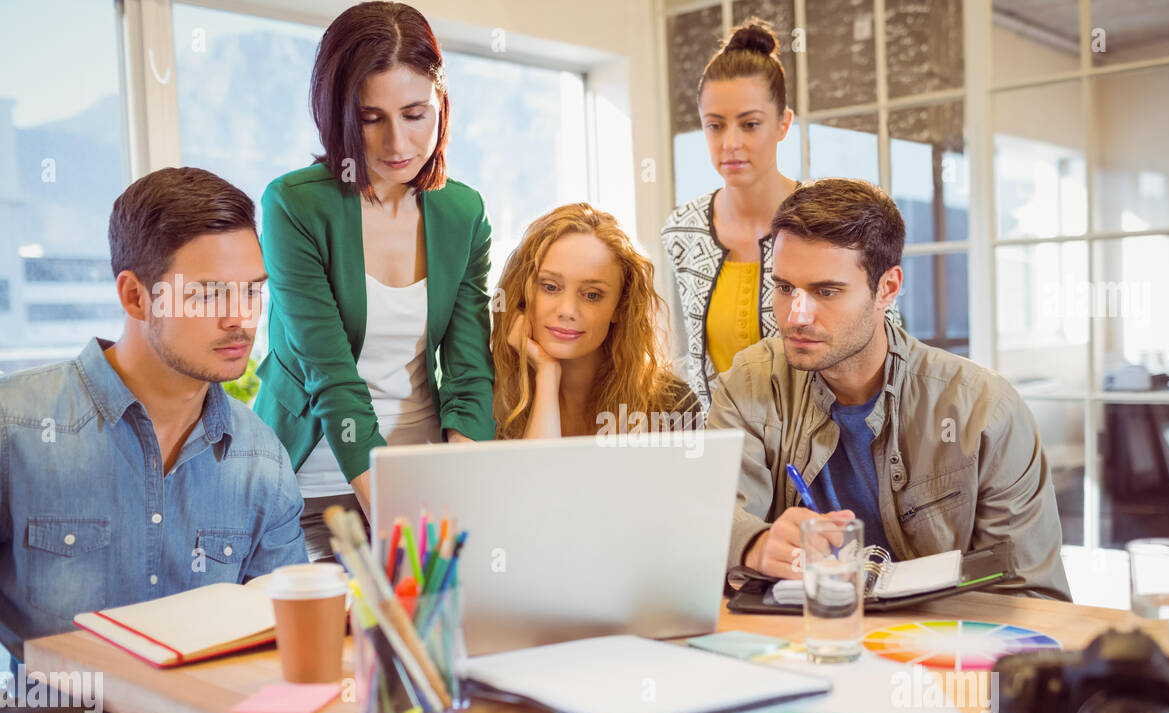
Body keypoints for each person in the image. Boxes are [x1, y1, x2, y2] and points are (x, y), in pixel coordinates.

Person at [710, 178, 1072, 600]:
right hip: (806, 643)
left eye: (826, 291)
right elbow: (711, 516)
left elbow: (1034, 599)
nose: (796, 315)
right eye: (784, 287)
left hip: (943, 647)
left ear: (888, 288)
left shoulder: (985, 410)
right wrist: (755, 543)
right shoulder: (748, 383)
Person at [0, 167, 309, 660]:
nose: (239, 317)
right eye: (207, 293)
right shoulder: (13, 429)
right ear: (134, 296)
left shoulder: (262, 461)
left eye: (252, 289)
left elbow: (285, 645)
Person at [252, 1, 494, 561]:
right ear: (336, 111)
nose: (397, 145)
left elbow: (468, 370)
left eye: (415, 114)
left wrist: (463, 484)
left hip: (423, 477)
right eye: (370, 118)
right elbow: (331, 378)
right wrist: (389, 513)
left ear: (442, 104)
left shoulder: (463, 212)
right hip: (317, 487)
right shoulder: (294, 205)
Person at [660, 17, 799, 415]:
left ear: (783, 124)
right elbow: (679, 360)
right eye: (715, 126)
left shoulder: (829, 222)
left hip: (822, 461)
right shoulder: (681, 231)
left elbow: (880, 345)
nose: (731, 143)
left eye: (750, 124)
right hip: (719, 458)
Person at [492, 203, 700, 439]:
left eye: (592, 295)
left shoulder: (671, 404)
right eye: (550, 287)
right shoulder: (488, 398)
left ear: (620, 307)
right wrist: (547, 374)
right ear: (523, 292)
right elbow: (536, 475)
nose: (568, 310)